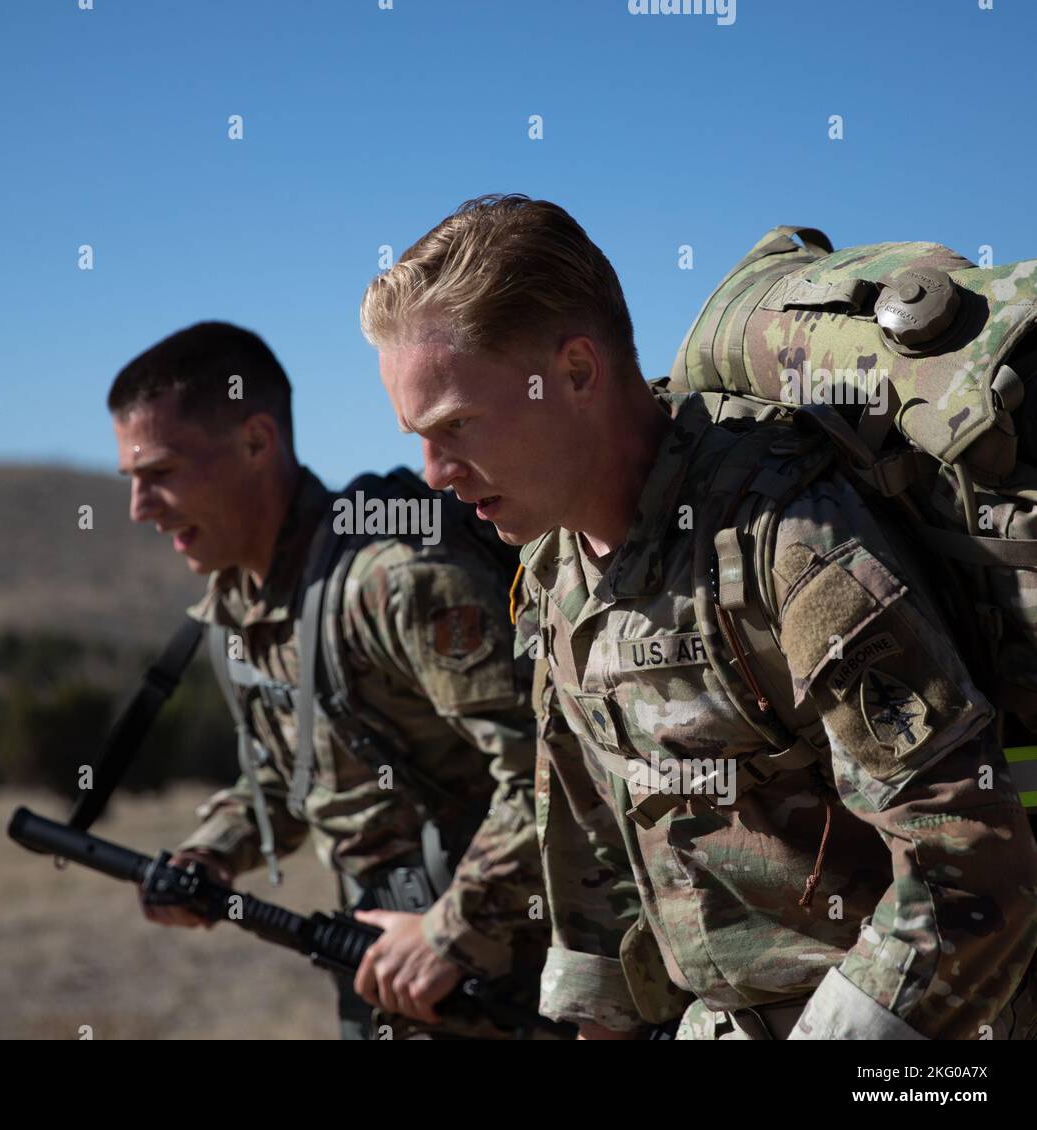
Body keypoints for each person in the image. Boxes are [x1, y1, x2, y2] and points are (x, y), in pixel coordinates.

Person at [363, 193, 1037, 1039]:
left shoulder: (786, 539)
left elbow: (966, 856)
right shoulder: (553, 574)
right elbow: (590, 847)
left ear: (575, 372)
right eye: (417, 436)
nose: (432, 473)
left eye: (456, 423)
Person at [108, 320, 551, 1039]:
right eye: (129, 482)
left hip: (515, 986)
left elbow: (553, 770)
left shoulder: (393, 582)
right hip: (393, 981)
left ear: (257, 442)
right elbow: (302, 779)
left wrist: (451, 932)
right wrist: (211, 855)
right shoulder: (241, 606)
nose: (138, 508)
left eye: (160, 473)